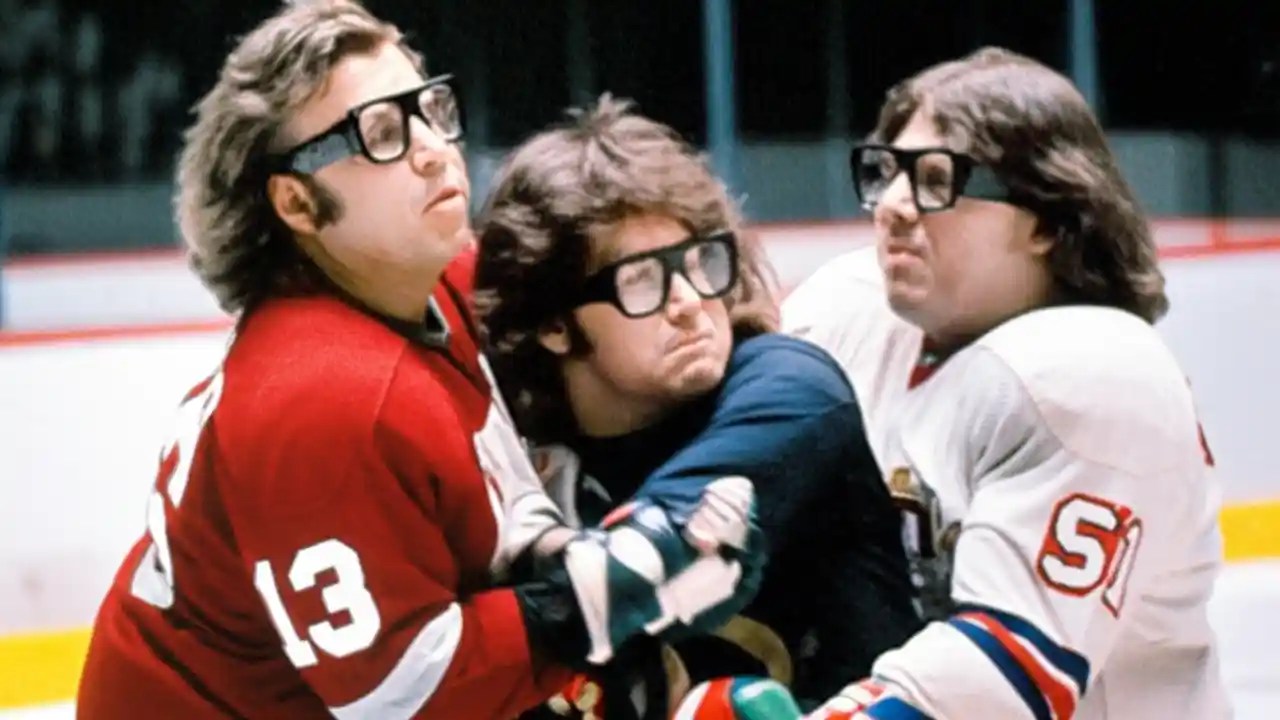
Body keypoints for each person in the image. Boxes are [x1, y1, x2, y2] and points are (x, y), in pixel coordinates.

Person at [76, 2, 761, 718]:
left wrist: (563, 562)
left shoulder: (436, 281)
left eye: (428, 107)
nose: (433, 146)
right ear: (298, 203)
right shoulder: (324, 397)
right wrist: (586, 605)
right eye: (379, 134)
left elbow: (478, 499)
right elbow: (397, 696)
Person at [773, 47, 1231, 719]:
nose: (896, 205)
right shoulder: (846, 310)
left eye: (937, 179)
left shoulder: (1098, 375)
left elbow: (998, 683)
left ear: (1046, 217)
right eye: (887, 172)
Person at [473, 96, 921, 719]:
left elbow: (636, 574)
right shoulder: (528, 444)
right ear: (551, 321)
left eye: (699, 261)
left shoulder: (788, 392)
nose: (688, 300)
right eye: (641, 280)